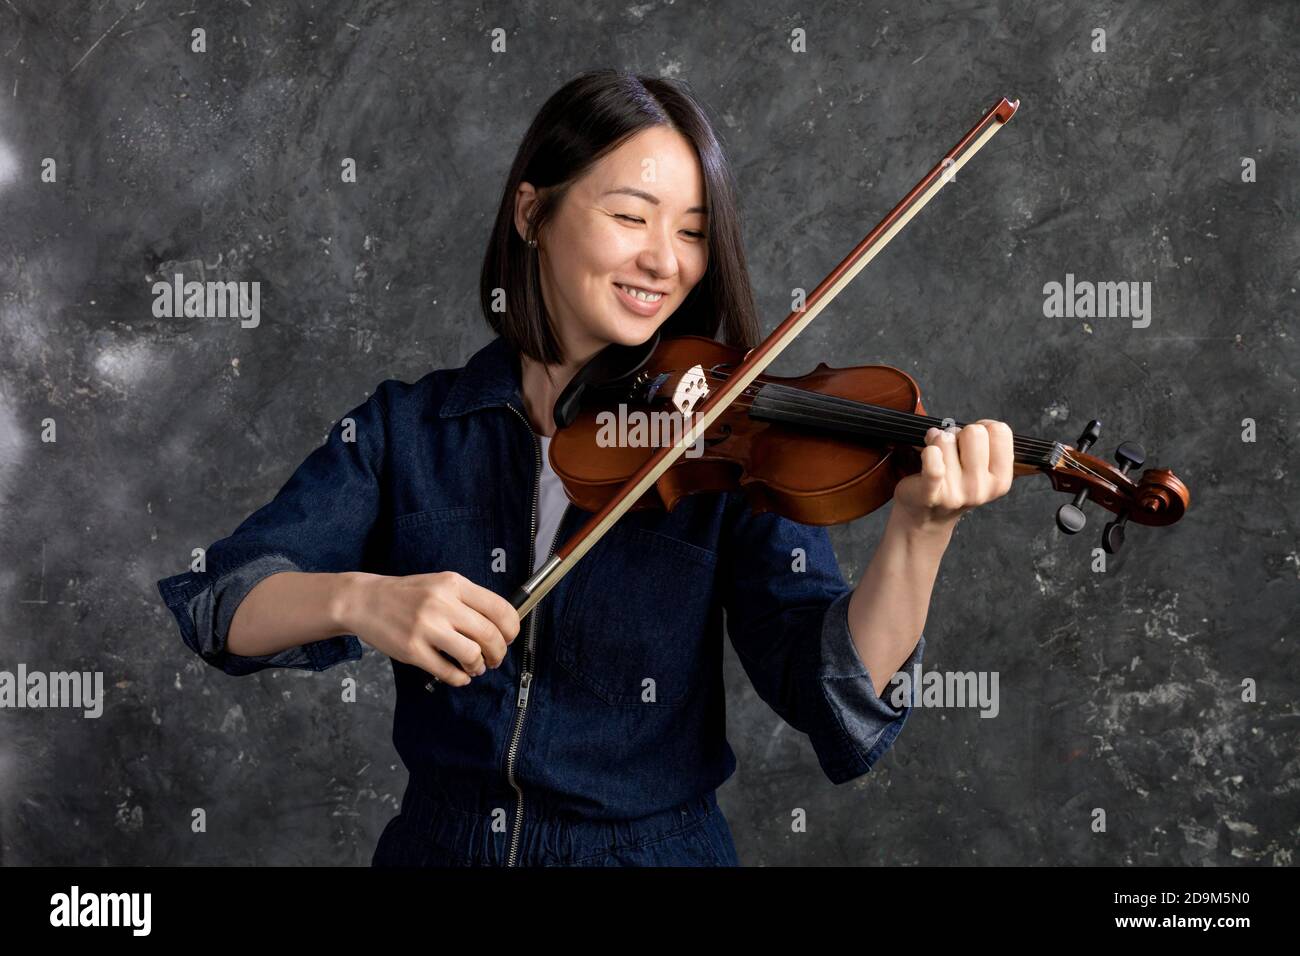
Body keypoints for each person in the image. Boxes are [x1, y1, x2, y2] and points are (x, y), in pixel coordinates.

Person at [156, 68, 1014, 867]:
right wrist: (366, 600)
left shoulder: (723, 435)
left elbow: (828, 694)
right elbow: (222, 602)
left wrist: (921, 531)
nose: (665, 261)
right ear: (532, 213)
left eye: (692, 233)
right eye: (632, 217)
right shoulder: (409, 428)